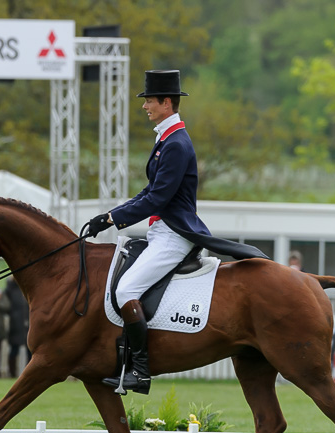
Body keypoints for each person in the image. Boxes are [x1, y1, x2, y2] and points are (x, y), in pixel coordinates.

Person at [86, 69, 266, 395]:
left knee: (126, 291)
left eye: (150, 101)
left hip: (174, 234)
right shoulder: (165, 138)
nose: (145, 106)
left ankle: (140, 372)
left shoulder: (177, 144)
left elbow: (158, 198)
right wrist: (110, 215)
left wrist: (113, 219)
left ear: (166, 102)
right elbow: (149, 192)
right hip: (161, 230)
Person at [5, 279, 30, 377]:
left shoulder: (27, 287)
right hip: (15, 324)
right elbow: (6, 305)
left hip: (28, 324)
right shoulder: (11, 288)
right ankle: (12, 373)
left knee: (30, 351)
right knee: (14, 350)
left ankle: (28, 374)